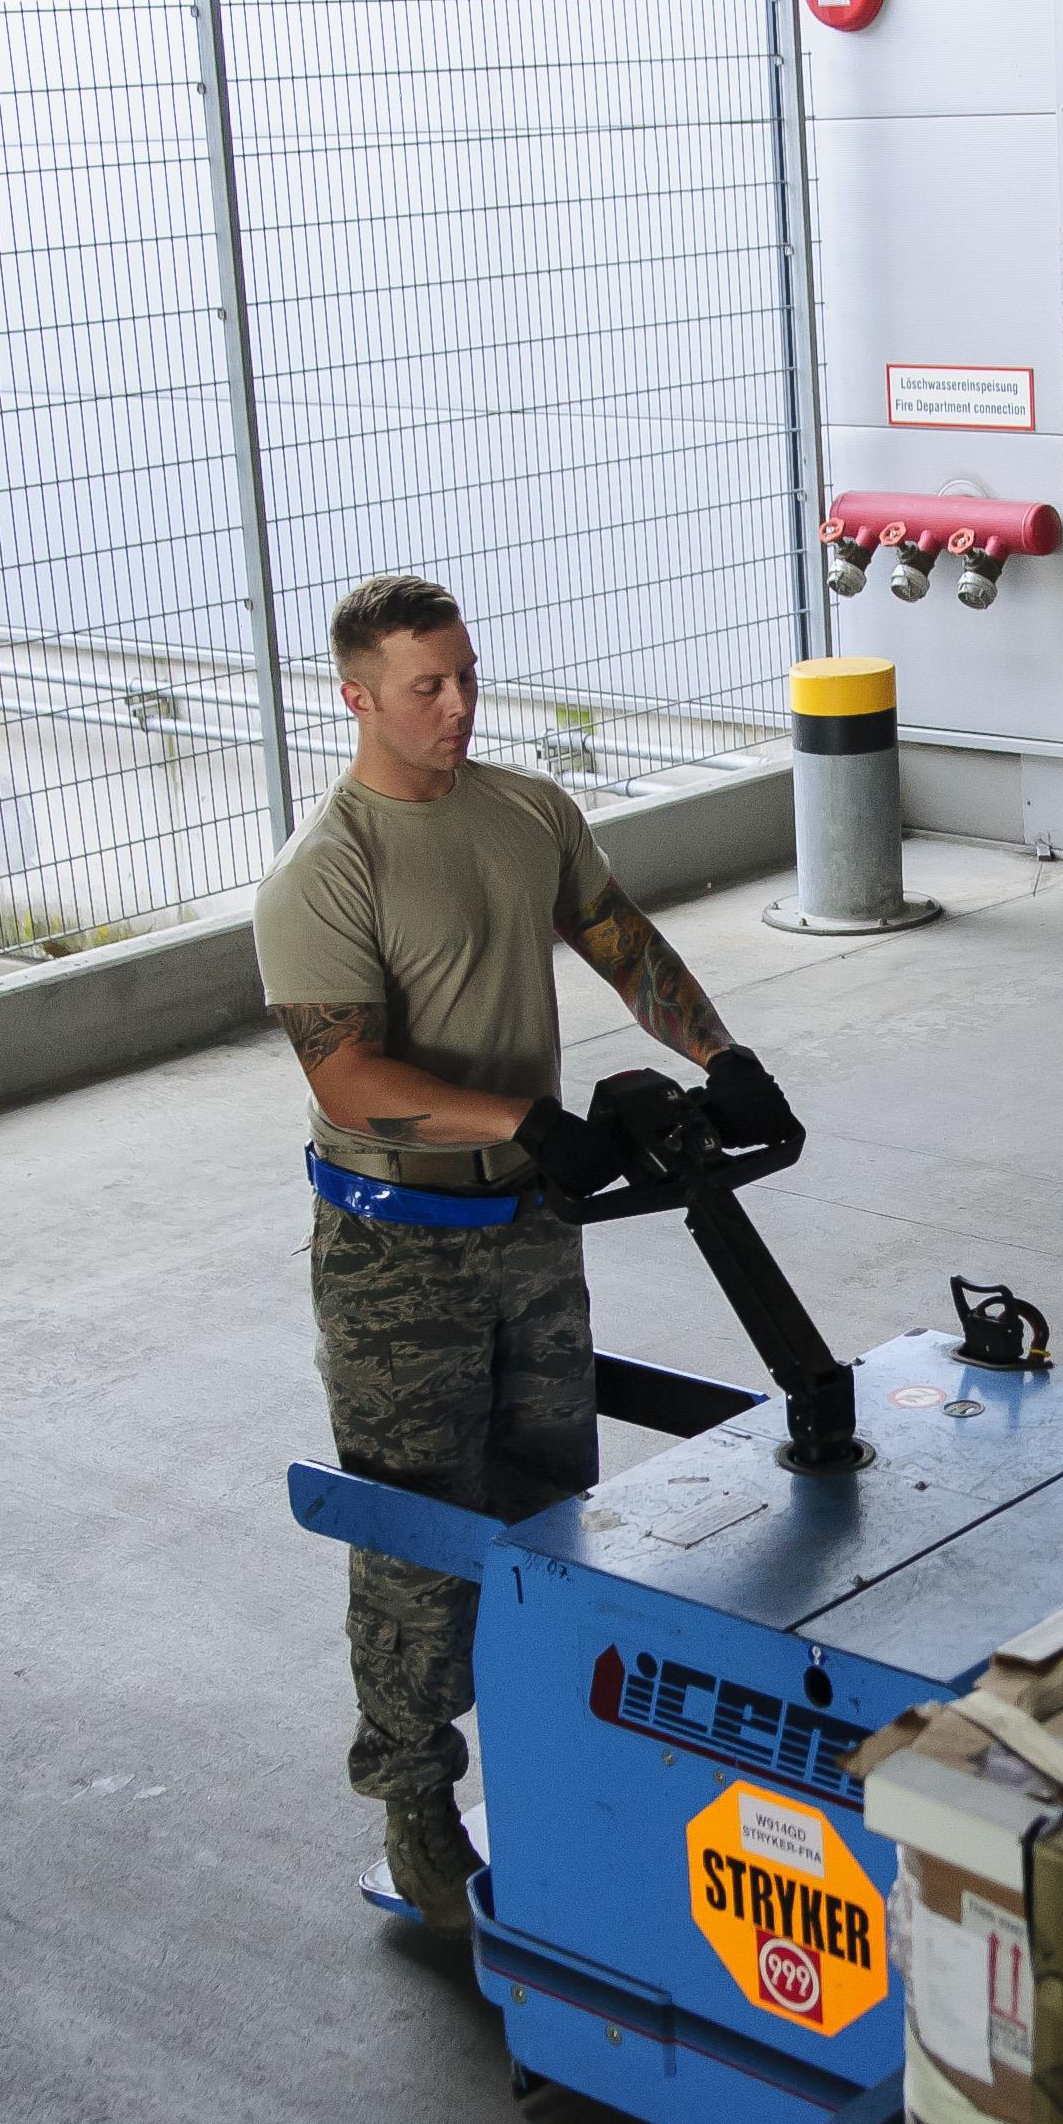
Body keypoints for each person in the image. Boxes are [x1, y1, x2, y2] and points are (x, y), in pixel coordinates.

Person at [256, 573, 789, 1928]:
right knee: (421, 1533)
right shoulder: (326, 870)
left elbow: (619, 940)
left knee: (553, 1506)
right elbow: (346, 1080)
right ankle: (416, 1807)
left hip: (534, 1228)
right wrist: (522, 1120)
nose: (457, 706)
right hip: (398, 1254)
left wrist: (720, 1054)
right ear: (356, 697)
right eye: (424, 687)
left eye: (466, 676)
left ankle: (549, 1758)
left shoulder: (525, 811)